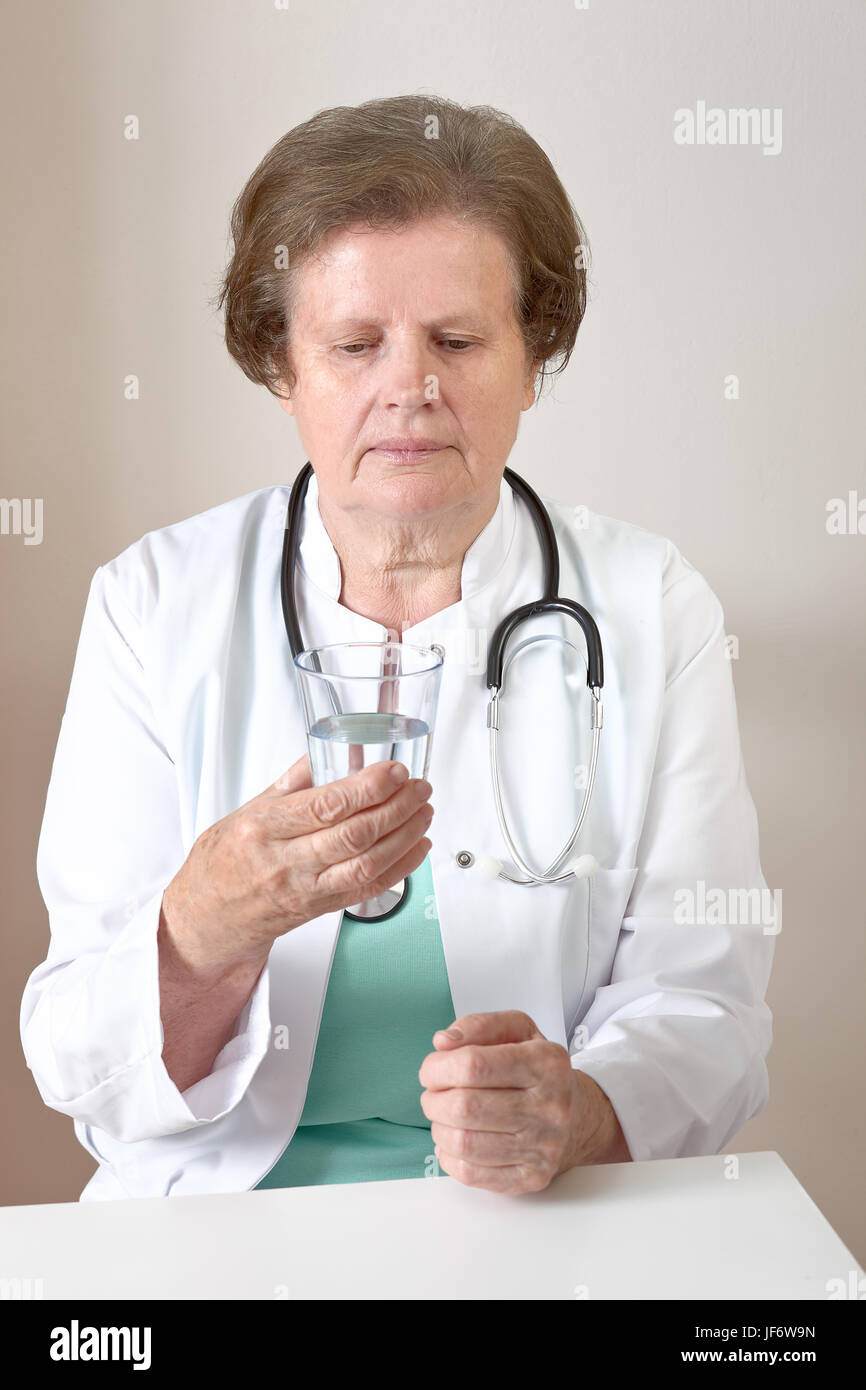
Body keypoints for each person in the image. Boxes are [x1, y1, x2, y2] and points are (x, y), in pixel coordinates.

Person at [20, 94, 775, 1201]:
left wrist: (580, 1109)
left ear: (533, 359)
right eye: (354, 344)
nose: (409, 390)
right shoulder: (152, 604)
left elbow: (706, 1007)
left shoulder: (650, 604)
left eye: (458, 341)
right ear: (280, 368)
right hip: (217, 1225)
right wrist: (204, 929)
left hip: (537, 1217)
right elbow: (74, 1055)